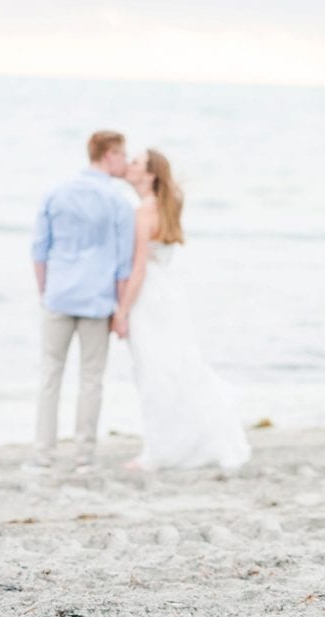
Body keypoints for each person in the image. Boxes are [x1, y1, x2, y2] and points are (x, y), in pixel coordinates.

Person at [111, 149, 250, 471]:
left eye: (136, 163)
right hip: (169, 295)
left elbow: (138, 269)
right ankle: (184, 440)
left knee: (154, 371)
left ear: (150, 175)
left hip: (148, 297)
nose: (129, 166)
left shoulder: (144, 212)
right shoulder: (165, 205)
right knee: (175, 366)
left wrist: (121, 311)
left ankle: (160, 450)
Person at [29, 130, 134, 471]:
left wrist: (45, 291)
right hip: (96, 301)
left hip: (58, 295)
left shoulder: (57, 192)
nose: (124, 161)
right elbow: (123, 264)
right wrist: (121, 309)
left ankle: (43, 456)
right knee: (91, 380)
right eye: (122, 154)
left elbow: (39, 251)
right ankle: (83, 458)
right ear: (109, 155)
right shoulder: (118, 201)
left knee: (50, 377)